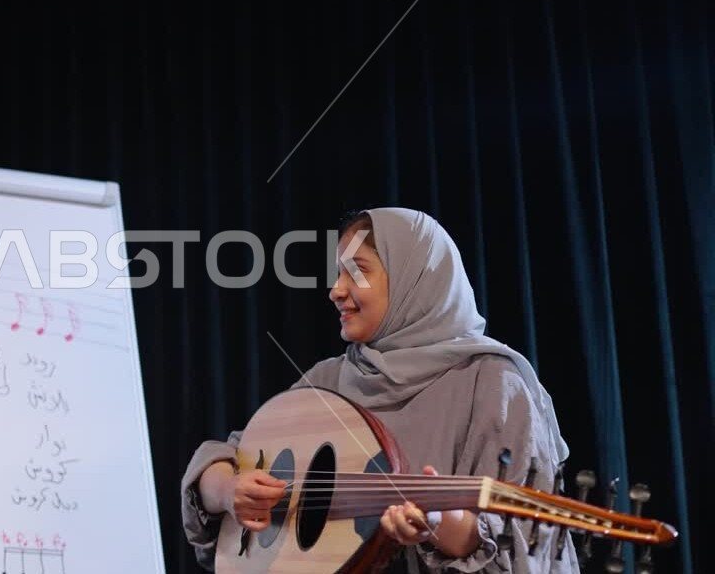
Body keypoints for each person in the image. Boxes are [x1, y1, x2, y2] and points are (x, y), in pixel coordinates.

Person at [181, 207, 579, 573]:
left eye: (357, 272)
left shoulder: (493, 382)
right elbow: (226, 457)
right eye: (338, 274)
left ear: (414, 277)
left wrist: (437, 523)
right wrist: (229, 489)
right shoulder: (329, 380)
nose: (336, 290)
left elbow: (525, 541)